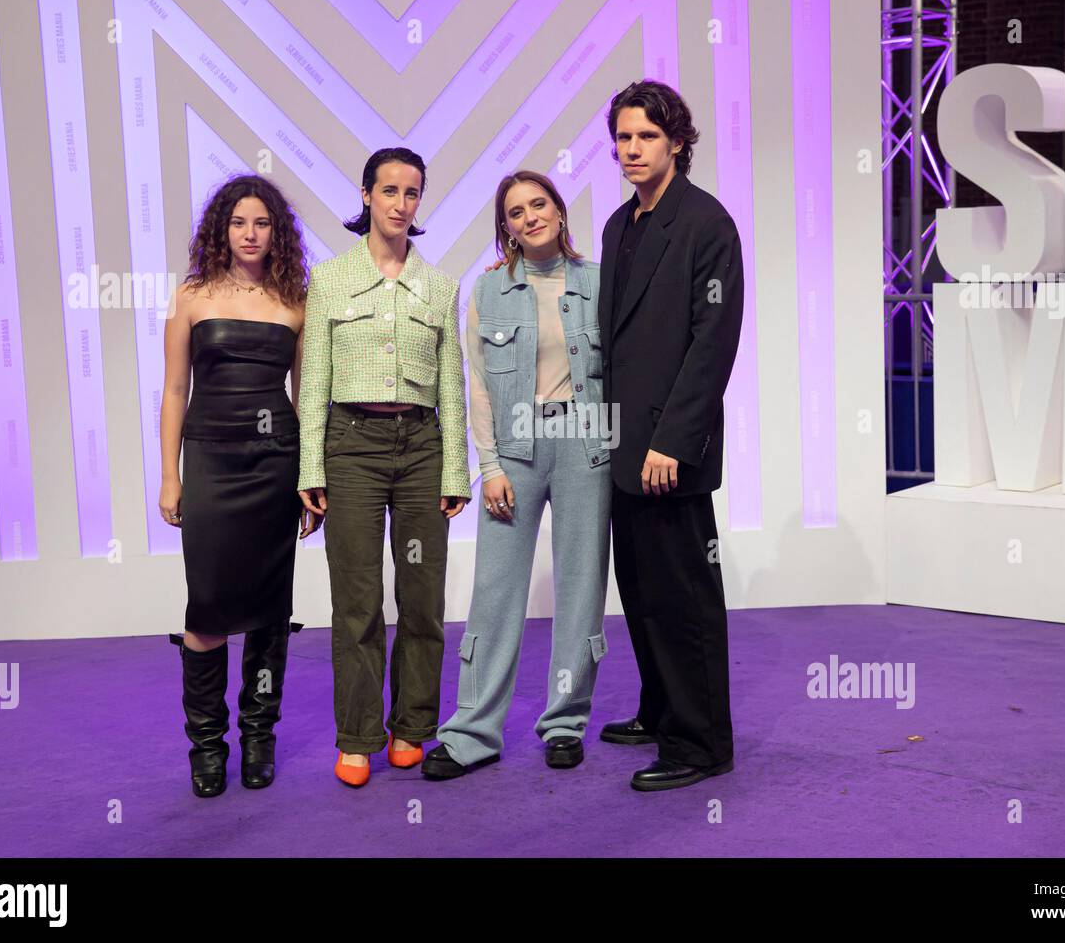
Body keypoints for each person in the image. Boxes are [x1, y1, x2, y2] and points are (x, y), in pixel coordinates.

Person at [421, 171, 611, 780]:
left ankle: (564, 722)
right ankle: (473, 732)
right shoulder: (488, 290)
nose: (530, 217)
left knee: (581, 588)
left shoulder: (599, 281)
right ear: (505, 227)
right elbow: (478, 387)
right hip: (517, 448)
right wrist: (491, 466)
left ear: (558, 209)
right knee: (496, 591)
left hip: (586, 442)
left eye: (539, 204)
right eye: (515, 211)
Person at [297, 148, 470, 788]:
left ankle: (411, 728)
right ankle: (359, 734)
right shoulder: (330, 280)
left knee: (422, 597)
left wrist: (457, 469)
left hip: (422, 447)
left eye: (413, 192)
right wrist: (308, 467)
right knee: (357, 602)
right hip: (351, 446)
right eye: (390, 190)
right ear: (366, 195)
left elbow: (450, 385)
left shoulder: (440, 286)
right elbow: (312, 379)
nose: (401, 203)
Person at [597, 80, 744, 791]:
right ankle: (661, 712)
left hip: (669, 451)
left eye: (646, 137)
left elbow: (712, 343)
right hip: (624, 447)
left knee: (684, 599)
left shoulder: (706, 223)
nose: (631, 150)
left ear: (678, 142)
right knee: (643, 592)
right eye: (623, 138)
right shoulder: (618, 226)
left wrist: (672, 441)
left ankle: (701, 743)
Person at [159, 174, 315, 798]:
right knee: (209, 606)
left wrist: (310, 478)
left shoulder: (294, 300)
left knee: (270, 610)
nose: (251, 235)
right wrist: (169, 473)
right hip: (211, 463)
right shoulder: (191, 296)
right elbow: (174, 391)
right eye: (239, 223)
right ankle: (206, 745)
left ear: (276, 232)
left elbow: (306, 396)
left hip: (276, 461)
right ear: (221, 230)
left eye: (262, 224)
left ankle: (258, 737)